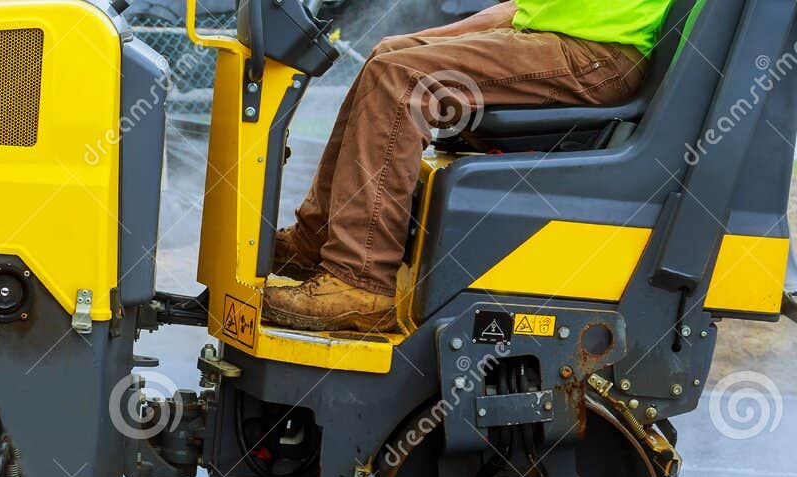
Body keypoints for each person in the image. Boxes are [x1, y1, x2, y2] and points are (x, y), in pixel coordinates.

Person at [260, 0, 679, 333]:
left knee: (402, 79)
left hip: (597, 61)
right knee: (389, 56)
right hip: (562, 44)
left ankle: (361, 279)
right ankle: (315, 239)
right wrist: (425, 40)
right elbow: (524, 10)